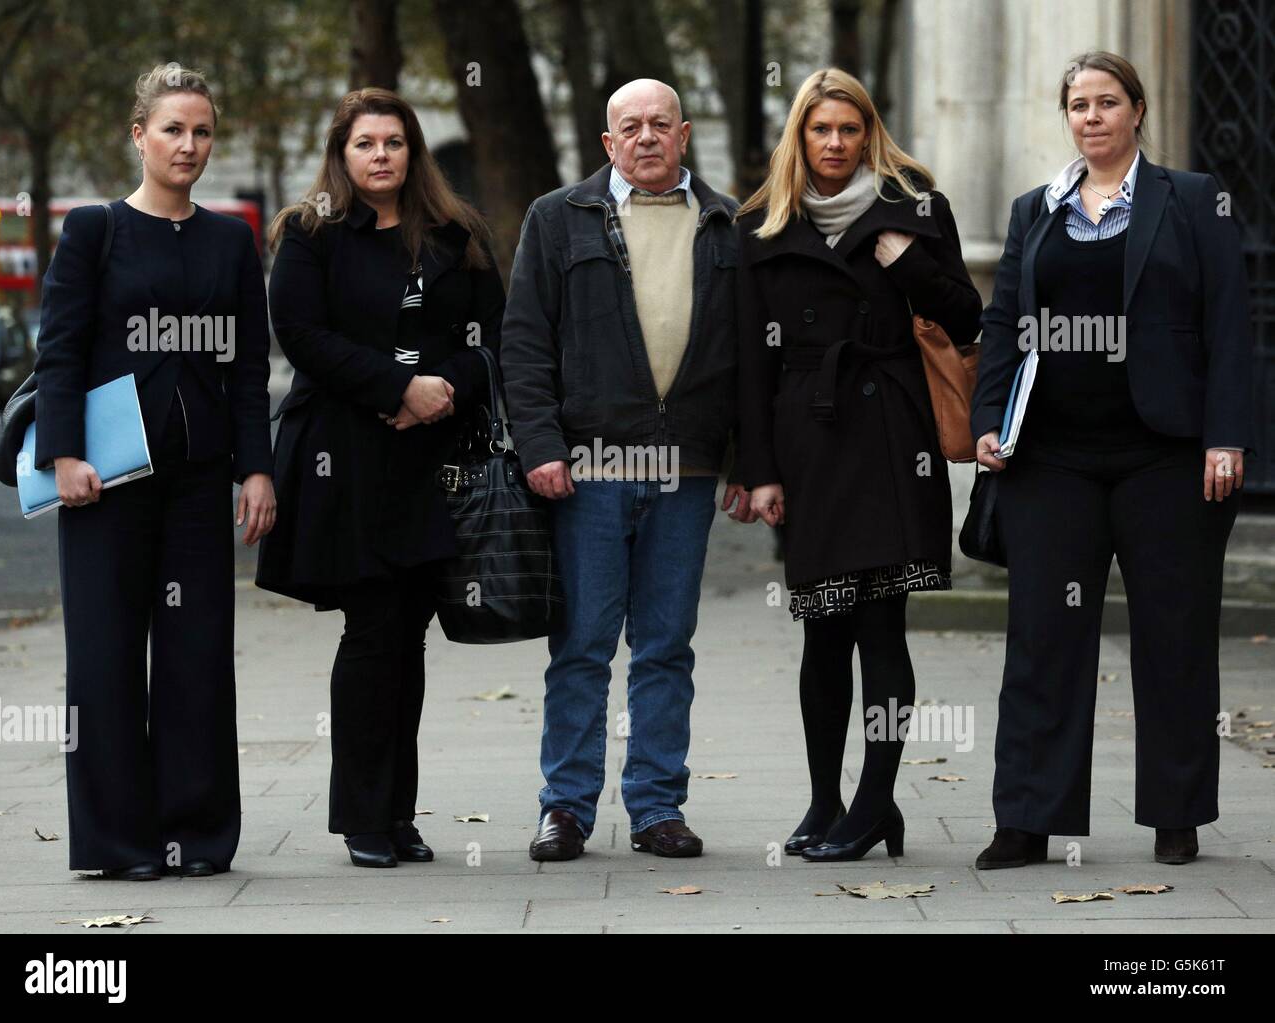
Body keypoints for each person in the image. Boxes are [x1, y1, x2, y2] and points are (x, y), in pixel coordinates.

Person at [971, 52, 1252, 869]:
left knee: (1176, 636)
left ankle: (1176, 813)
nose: (1090, 117)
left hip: (1165, 456)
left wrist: (1224, 436)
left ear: (1137, 109)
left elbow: (1229, 322)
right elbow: (1005, 324)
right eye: (1077, 105)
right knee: (1042, 640)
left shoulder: (1193, 201)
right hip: (1052, 458)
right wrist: (991, 417)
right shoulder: (1036, 211)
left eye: (1106, 102)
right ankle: (1026, 818)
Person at [502, 78, 755, 862]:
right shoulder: (557, 218)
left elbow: (750, 355)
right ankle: (567, 808)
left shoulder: (728, 224)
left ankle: (655, 808)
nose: (646, 137)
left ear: (682, 135)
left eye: (659, 125)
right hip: (589, 469)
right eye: (628, 127)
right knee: (581, 643)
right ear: (608, 143)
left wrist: (749, 462)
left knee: (666, 646)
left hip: (688, 471)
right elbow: (524, 343)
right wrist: (540, 446)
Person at [34, 63, 274, 880]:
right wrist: (63, 454)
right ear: (139, 135)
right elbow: (59, 350)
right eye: (173, 129)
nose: (190, 144)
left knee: (197, 657)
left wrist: (257, 470)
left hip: (201, 482)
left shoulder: (230, 239)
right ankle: (117, 844)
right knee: (103, 662)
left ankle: (194, 834)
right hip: (105, 482)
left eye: (202, 131)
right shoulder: (93, 230)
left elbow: (247, 368)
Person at [737, 68, 982, 862]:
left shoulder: (915, 207)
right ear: (800, 138)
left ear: (868, 131)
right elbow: (749, 362)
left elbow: (970, 316)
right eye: (821, 130)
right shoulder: (763, 224)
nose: (835, 143)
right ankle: (824, 802)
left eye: (849, 128)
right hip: (810, 437)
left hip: (891, 433)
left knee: (882, 625)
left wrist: (908, 262)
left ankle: (874, 802)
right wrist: (760, 468)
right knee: (821, 629)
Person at [256, 88, 503, 868]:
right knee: (371, 629)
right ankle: (363, 817)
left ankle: (399, 813)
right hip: (345, 460)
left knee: (411, 634)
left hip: (433, 458)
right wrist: (396, 387)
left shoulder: (456, 233)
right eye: (365, 144)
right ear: (343, 152)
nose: (380, 156)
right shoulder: (310, 234)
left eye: (393, 143)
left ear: (412, 150)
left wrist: (445, 388)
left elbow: (490, 334)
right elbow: (301, 333)